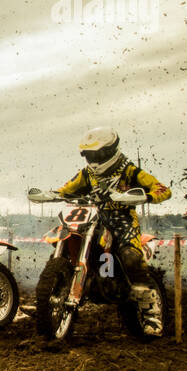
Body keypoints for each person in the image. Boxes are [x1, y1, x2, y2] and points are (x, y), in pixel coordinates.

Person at [51, 127, 172, 336]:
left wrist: (145, 197)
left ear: (109, 151)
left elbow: (163, 189)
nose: (92, 159)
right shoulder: (87, 174)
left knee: (131, 258)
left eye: (96, 154)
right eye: (88, 155)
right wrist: (52, 194)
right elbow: (67, 188)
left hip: (123, 221)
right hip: (95, 219)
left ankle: (151, 313)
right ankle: (55, 296)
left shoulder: (129, 170)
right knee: (69, 239)